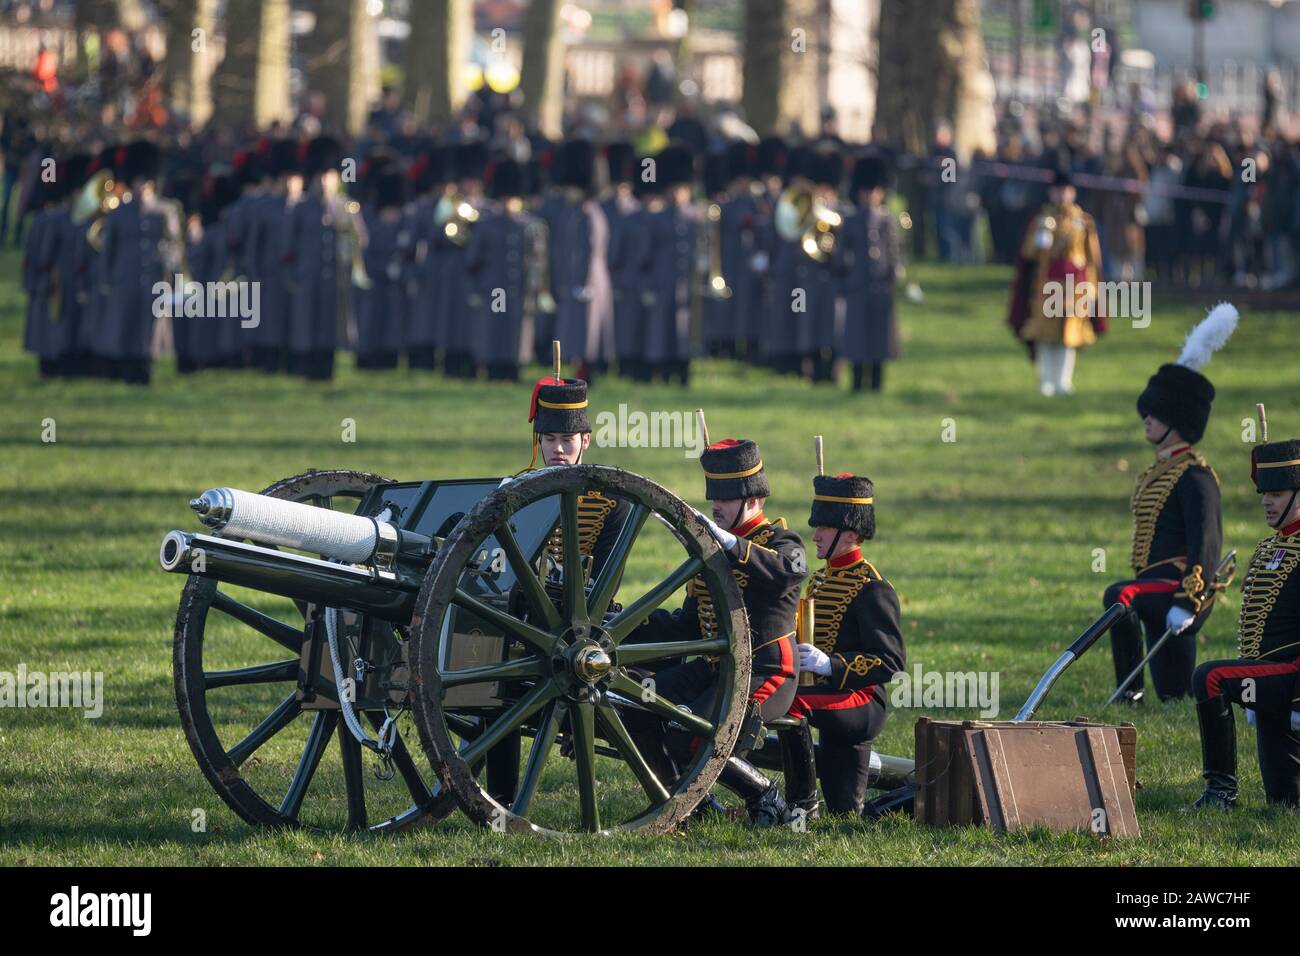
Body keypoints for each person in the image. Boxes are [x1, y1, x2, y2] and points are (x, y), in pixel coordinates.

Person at [626, 438, 805, 825]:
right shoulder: (710, 548)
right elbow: (688, 626)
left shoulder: (781, 541)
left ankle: (767, 799)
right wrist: (625, 622)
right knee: (634, 704)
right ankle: (688, 805)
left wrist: (732, 545)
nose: (715, 505)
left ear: (752, 499)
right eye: (714, 497)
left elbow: (789, 572)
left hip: (766, 671)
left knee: (694, 734)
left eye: (724, 497)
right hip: (714, 670)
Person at [1104, 305, 1235, 703]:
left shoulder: (1195, 476)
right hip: (1155, 583)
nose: (1146, 418)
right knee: (1174, 692)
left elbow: (1206, 544)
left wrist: (1187, 600)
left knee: (1120, 595)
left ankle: (1129, 693)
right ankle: (1142, 694)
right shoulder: (1161, 470)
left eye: (1156, 414)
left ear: (1177, 420)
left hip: (1178, 588)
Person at [1188, 436, 1300, 810]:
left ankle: (1220, 793)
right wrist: (1253, 683)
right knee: (1285, 801)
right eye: (1264, 493)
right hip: (1269, 676)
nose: (1267, 501)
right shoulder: (1269, 547)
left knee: (1210, 677)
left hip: (1291, 675)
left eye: (1277, 494)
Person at [789, 471, 906, 816]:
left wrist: (829, 665)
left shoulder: (872, 587)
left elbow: (890, 661)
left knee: (791, 703)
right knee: (846, 811)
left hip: (861, 699)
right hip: (829, 694)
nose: (815, 535)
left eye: (824, 528)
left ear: (851, 533)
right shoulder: (819, 580)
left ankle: (801, 804)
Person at [1008, 168, 1106, 396]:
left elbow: (1092, 259)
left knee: (1069, 334)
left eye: (1066, 190)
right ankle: (1046, 380)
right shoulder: (1041, 220)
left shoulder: (1083, 222)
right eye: (1058, 190)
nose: (1062, 195)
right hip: (1046, 287)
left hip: (1075, 288)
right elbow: (1028, 254)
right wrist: (1041, 237)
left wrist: (1092, 289)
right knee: (1045, 334)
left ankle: (1063, 380)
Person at [838, 149, 903, 393]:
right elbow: (842, 252)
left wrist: (894, 271)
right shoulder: (850, 219)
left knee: (879, 334)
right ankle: (857, 380)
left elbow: (894, 249)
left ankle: (876, 381)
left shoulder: (887, 219)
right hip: (858, 283)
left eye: (875, 191)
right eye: (867, 191)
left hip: (880, 284)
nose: (871, 196)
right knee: (857, 334)